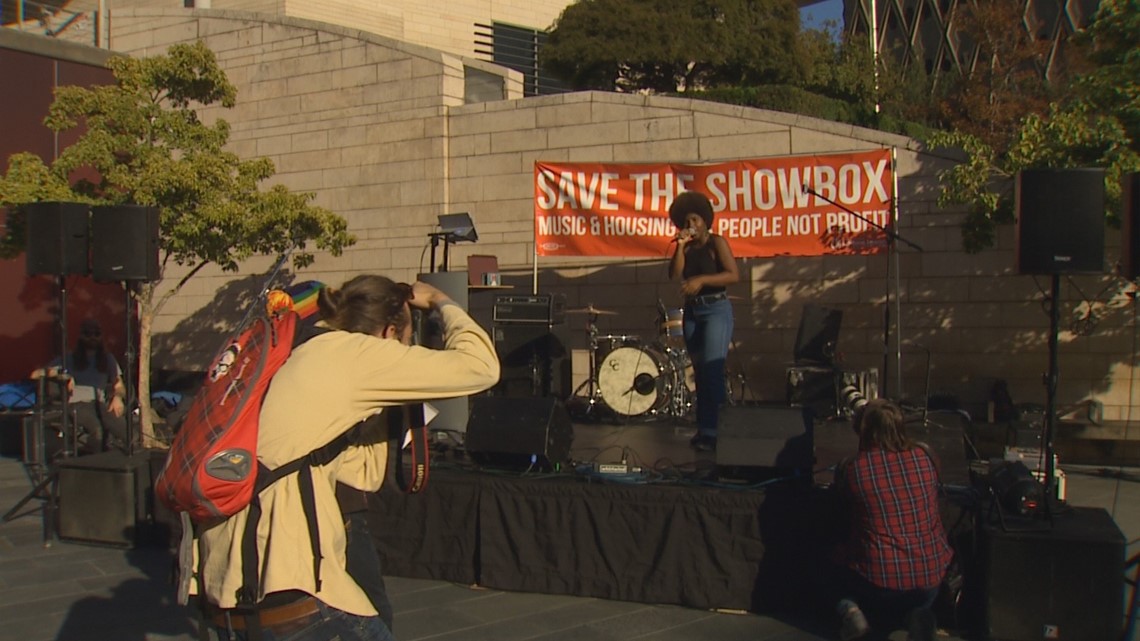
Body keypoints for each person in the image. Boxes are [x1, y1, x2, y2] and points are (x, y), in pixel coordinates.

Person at [193, 275, 499, 641]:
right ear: (388, 331)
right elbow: (481, 366)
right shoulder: (356, 355)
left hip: (226, 579)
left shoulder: (304, 347)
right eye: (405, 341)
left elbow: (361, 474)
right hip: (287, 585)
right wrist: (440, 301)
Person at [831, 399, 951, 641]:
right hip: (928, 578)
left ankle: (851, 611)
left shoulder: (853, 469)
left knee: (831, 564)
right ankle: (919, 615)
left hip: (878, 580)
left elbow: (842, 504)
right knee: (915, 600)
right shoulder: (925, 456)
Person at [667, 191, 739, 451]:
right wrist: (680, 246)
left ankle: (719, 432)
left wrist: (701, 281)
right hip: (693, 313)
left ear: (705, 221)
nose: (690, 225)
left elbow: (733, 275)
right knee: (699, 373)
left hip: (716, 309)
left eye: (695, 220)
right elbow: (674, 274)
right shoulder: (686, 247)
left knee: (712, 370)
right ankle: (705, 428)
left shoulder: (716, 243)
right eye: (686, 221)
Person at [30, 318, 130, 455]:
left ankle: (124, 459)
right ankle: (96, 463)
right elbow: (36, 374)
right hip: (77, 404)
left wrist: (117, 397)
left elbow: (119, 385)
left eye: (96, 334)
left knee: (124, 429)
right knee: (97, 429)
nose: (92, 338)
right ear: (81, 336)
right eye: (88, 334)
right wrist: (62, 373)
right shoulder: (69, 358)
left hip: (99, 404)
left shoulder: (108, 359)